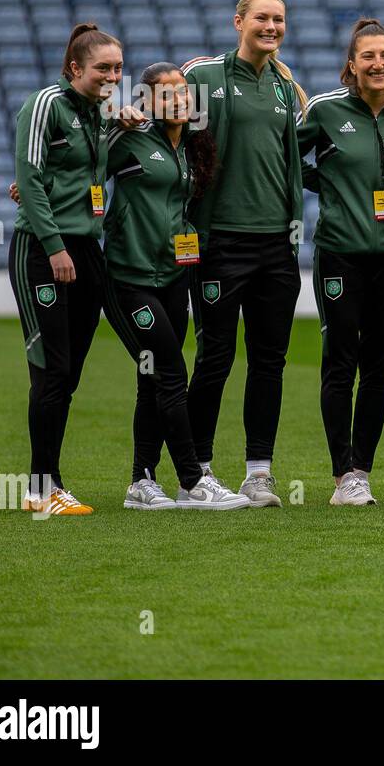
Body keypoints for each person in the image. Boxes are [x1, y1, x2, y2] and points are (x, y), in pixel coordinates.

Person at [181, 0, 309, 508]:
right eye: (262, 18)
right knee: (215, 357)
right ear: (239, 22)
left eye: (278, 19)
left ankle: (259, 473)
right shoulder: (203, 76)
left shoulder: (285, 87)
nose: (271, 27)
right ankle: (197, 472)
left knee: (269, 361)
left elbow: (293, 162)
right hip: (220, 242)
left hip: (276, 245)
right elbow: (152, 128)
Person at [102, 63, 250, 510]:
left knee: (151, 379)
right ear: (147, 101)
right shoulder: (128, 138)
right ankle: (192, 480)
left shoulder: (191, 147)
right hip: (128, 278)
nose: (178, 100)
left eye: (183, 92)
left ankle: (141, 482)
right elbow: (78, 166)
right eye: (166, 93)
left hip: (172, 278)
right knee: (169, 372)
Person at [298, 20, 384, 506]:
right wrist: (326, 183)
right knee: (340, 360)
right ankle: (341, 473)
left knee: (380, 366)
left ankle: (361, 471)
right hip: (340, 253)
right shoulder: (325, 110)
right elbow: (286, 157)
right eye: (368, 56)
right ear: (352, 64)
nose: (378, 64)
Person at [9, 22, 125, 515]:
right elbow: (29, 178)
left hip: (86, 249)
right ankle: (41, 489)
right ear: (75, 68)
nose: (113, 77)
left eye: (118, 69)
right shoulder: (45, 104)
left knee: (69, 375)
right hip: (42, 250)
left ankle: (49, 482)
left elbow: (83, 171)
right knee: (51, 369)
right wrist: (55, 246)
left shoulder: (102, 115)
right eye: (103, 68)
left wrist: (125, 121)